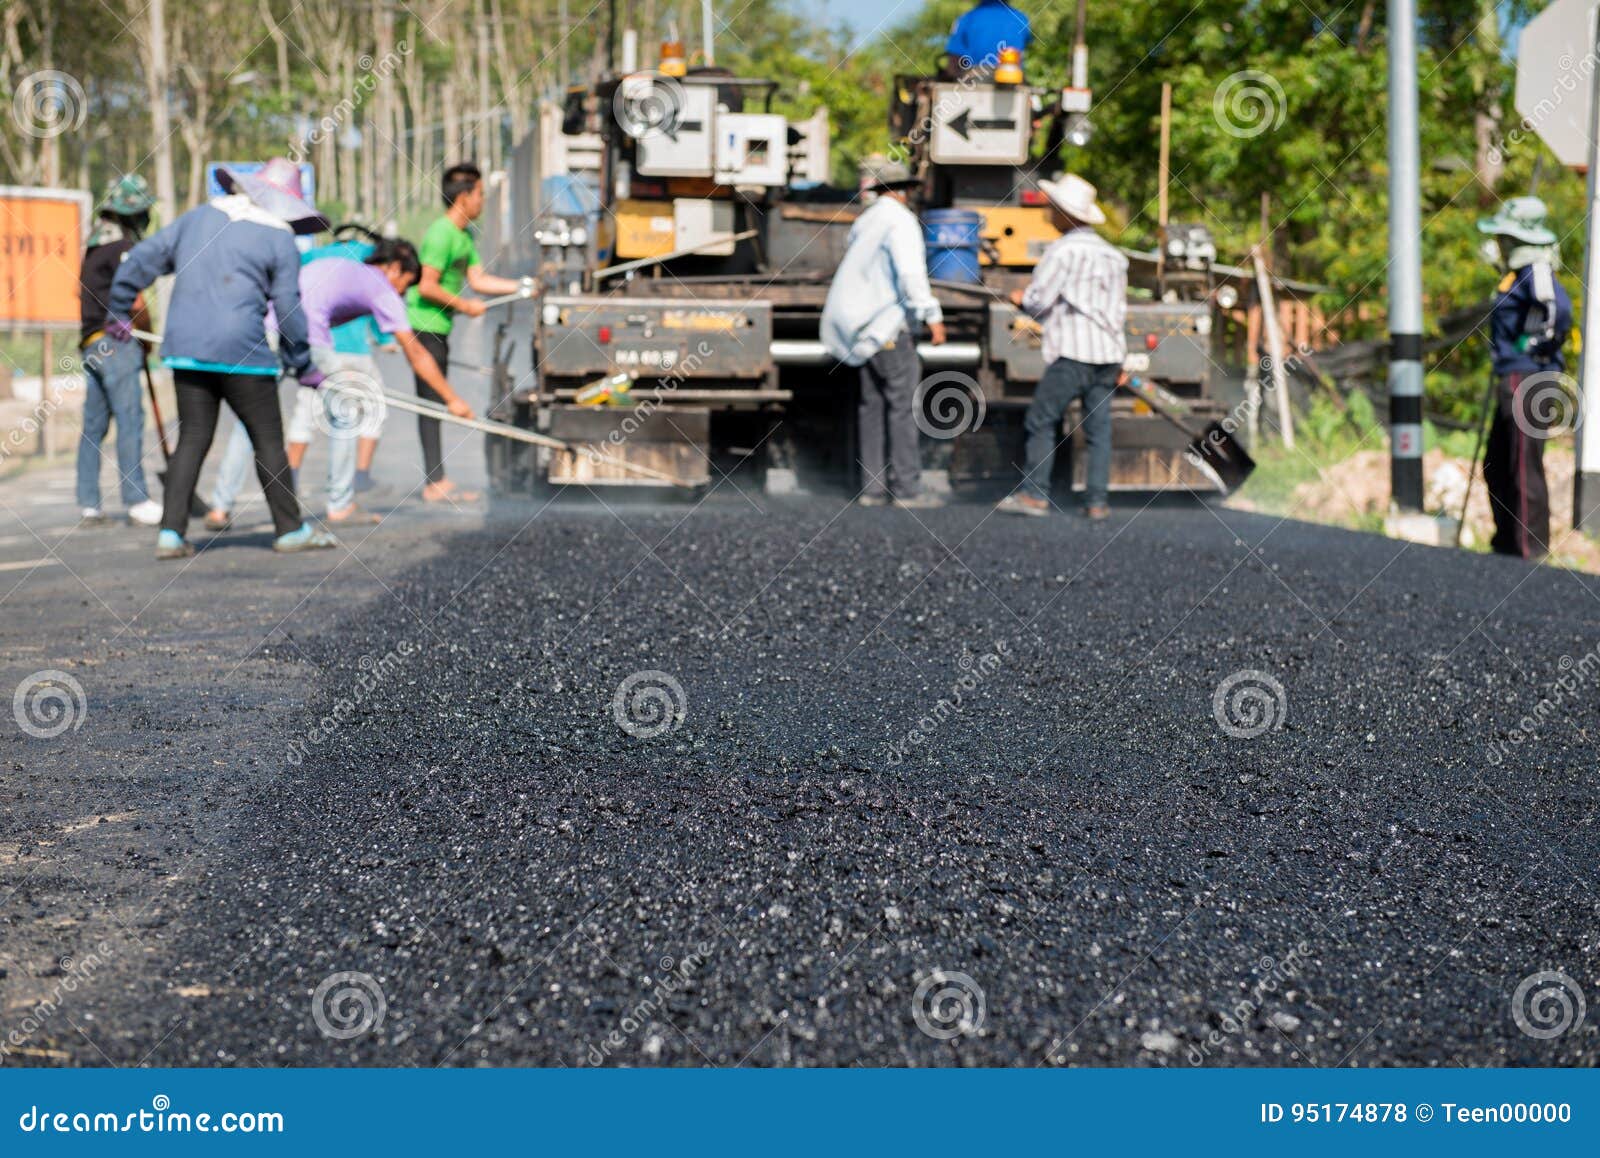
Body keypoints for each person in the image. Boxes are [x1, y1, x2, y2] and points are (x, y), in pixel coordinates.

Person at [105, 157, 337, 559]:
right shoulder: (279, 236)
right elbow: (287, 306)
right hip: (243, 352)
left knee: (193, 437)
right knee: (267, 440)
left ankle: (171, 535)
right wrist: (302, 363)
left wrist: (118, 309)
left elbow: (142, 259)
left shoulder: (197, 218)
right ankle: (290, 529)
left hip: (185, 349)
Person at [205, 239, 476, 527]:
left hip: (268, 330)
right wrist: (452, 400)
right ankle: (340, 504)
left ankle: (220, 507)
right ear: (395, 268)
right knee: (345, 411)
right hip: (307, 336)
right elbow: (417, 353)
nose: (403, 293)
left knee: (251, 417)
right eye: (406, 283)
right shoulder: (381, 288)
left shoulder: (344, 268)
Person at [996, 173, 1127, 521]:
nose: (1048, 213)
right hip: (1108, 354)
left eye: (1053, 208)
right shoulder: (1113, 257)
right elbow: (1118, 312)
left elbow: (1039, 301)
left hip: (1074, 352)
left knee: (1042, 418)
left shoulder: (1063, 251)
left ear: (1067, 214)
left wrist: (1020, 298)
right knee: (1098, 430)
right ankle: (1097, 502)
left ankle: (1034, 494)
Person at [820, 157, 948, 509]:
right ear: (905, 192)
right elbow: (910, 275)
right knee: (902, 405)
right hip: (887, 325)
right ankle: (906, 489)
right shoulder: (901, 221)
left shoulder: (866, 221)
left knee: (871, 405)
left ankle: (872, 489)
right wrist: (931, 314)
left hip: (860, 328)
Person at [406, 162, 532, 504]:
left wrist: (522, 287)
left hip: (441, 328)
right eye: (479, 194)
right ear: (463, 197)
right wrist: (463, 306)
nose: (483, 201)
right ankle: (435, 482)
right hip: (423, 326)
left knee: (435, 400)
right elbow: (427, 286)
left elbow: (478, 281)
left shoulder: (464, 235)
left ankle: (438, 478)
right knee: (432, 404)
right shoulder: (440, 234)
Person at [1478, 196, 1574, 561]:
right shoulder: (1517, 274)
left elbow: (1557, 311)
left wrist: (1535, 343)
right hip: (1512, 373)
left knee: (1523, 463)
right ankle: (1506, 541)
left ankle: (1529, 550)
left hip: (1529, 377)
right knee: (1497, 461)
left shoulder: (1537, 269)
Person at [76, 174, 163, 527]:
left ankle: (89, 503)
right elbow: (137, 299)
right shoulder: (124, 246)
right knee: (130, 418)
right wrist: (145, 336)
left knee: (94, 425)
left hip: (90, 342)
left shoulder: (95, 244)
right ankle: (136, 499)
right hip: (117, 343)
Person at [945, 0, 1031, 72]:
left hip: (973, 81)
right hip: (1011, 81)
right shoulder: (1021, 19)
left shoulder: (966, 18)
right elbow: (1025, 46)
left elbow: (954, 60)